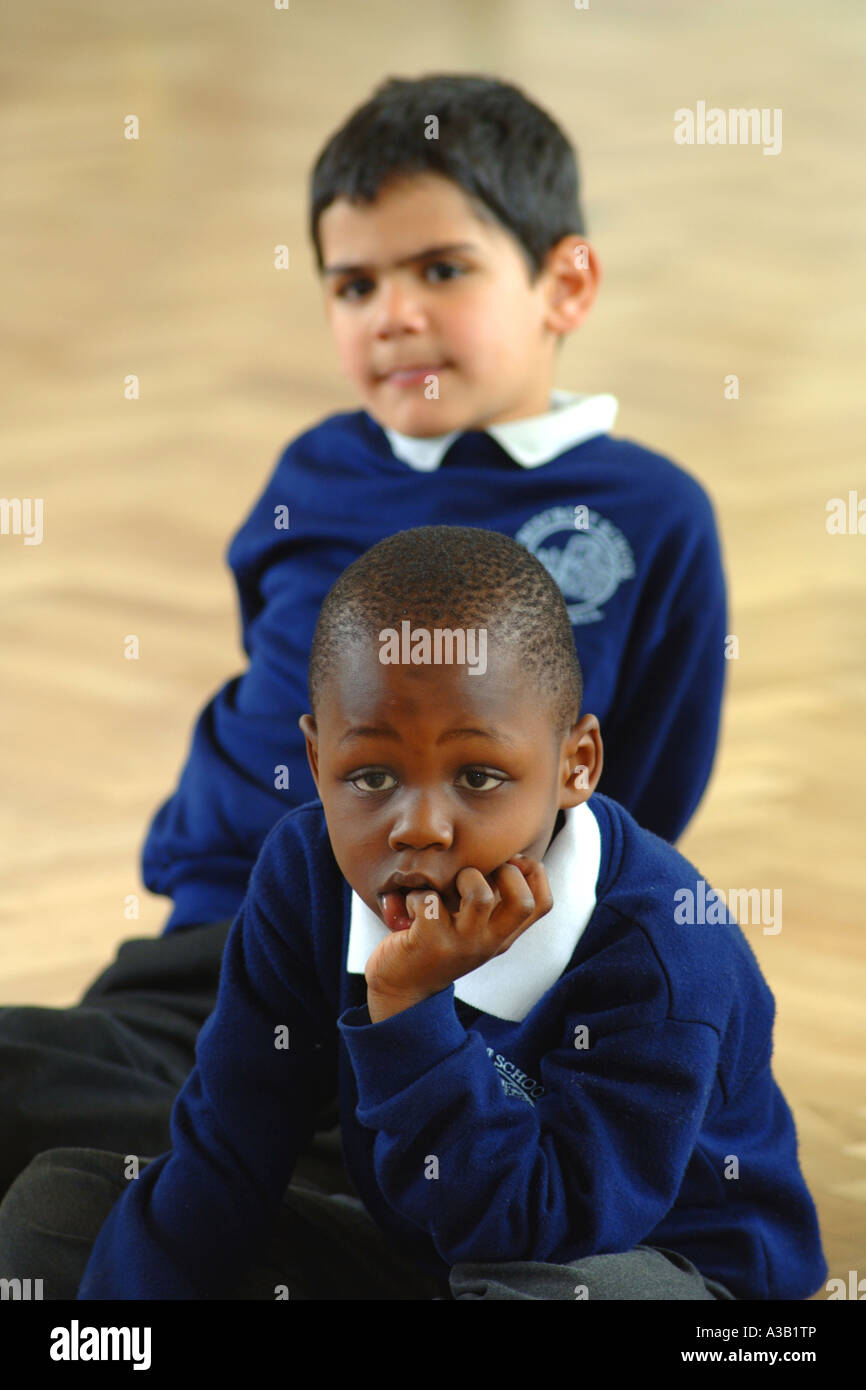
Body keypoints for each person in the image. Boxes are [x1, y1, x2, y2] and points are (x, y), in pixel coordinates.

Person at [0, 74, 727, 1206]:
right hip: (209, 960)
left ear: (563, 282)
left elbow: (653, 781)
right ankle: (277, 1160)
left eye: (440, 269)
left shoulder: (648, 510)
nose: (392, 312)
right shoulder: (311, 471)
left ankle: (289, 1164)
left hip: (457, 981)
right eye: (353, 284)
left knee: (160, 1173)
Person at [0, 528, 824, 1300]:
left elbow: (530, 1231)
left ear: (577, 764)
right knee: (64, 1211)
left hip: (639, 1270)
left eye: (478, 776)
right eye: (369, 777)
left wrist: (410, 1014)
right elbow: (228, 1152)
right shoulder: (308, 873)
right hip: (411, 1242)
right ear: (318, 759)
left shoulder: (664, 950)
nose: (419, 826)